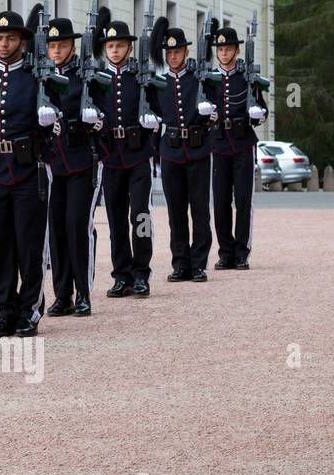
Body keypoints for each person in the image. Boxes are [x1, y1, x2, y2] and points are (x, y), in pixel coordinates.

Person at [0, 9, 57, 338]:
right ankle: (5, 309)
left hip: (28, 169)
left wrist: (51, 121)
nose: (4, 44)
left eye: (11, 38)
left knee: (29, 243)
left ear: (22, 41)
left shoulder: (35, 76)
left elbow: (55, 120)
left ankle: (29, 309)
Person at [39, 14, 103, 318]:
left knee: (77, 224)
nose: (56, 51)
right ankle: (61, 294)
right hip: (52, 161)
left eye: (61, 45)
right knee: (57, 229)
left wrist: (95, 118)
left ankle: (83, 292)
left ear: (71, 47)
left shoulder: (86, 74)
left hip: (81, 159)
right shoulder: (42, 76)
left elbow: (104, 112)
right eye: (52, 46)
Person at [90, 20, 157, 298]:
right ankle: (122, 274)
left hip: (138, 154)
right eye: (110, 45)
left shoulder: (143, 77)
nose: (115, 50)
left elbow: (160, 107)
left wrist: (155, 120)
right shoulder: (97, 79)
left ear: (130, 48)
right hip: (111, 156)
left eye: (119, 45)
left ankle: (142, 272)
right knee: (116, 219)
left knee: (139, 214)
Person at [147, 22, 216, 283]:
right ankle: (180, 264)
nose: (173, 56)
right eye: (169, 53)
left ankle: (198, 264)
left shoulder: (199, 79)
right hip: (171, 150)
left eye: (177, 52)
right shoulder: (159, 83)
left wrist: (211, 113)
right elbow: (153, 115)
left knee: (199, 209)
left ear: (186, 52)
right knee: (176, 211)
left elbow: (216, 111)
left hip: (198, 149)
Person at [207, 26, 267, 270]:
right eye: (220, 49)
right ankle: (225, 252)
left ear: (237, 50)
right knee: (220, 201)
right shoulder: (209, 80)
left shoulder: (247, 77)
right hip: (219, 143)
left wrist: (257, 115)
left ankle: (242, 252)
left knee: (243, 200)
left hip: (242, 142)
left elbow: (262, 112)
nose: (223, 53)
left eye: (228, 48)